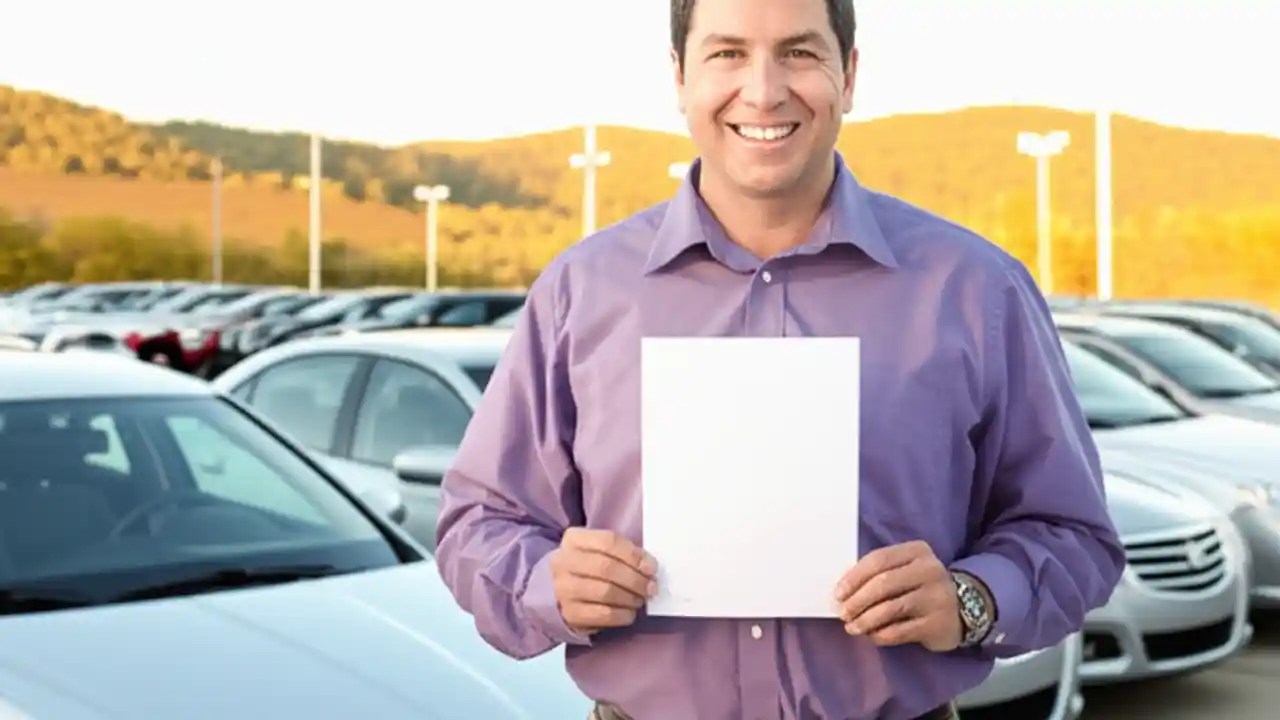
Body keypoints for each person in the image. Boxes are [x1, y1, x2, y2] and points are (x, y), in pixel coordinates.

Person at [434, 0, 1126, 717]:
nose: (763, 91)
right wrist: (548, 582)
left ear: (849, 75)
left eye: (799, 52)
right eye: (727, 53)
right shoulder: (580, 293)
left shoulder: (976, 289)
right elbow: (479, 523)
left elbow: (1074, 536)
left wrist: (972, 600)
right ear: (679, 77)